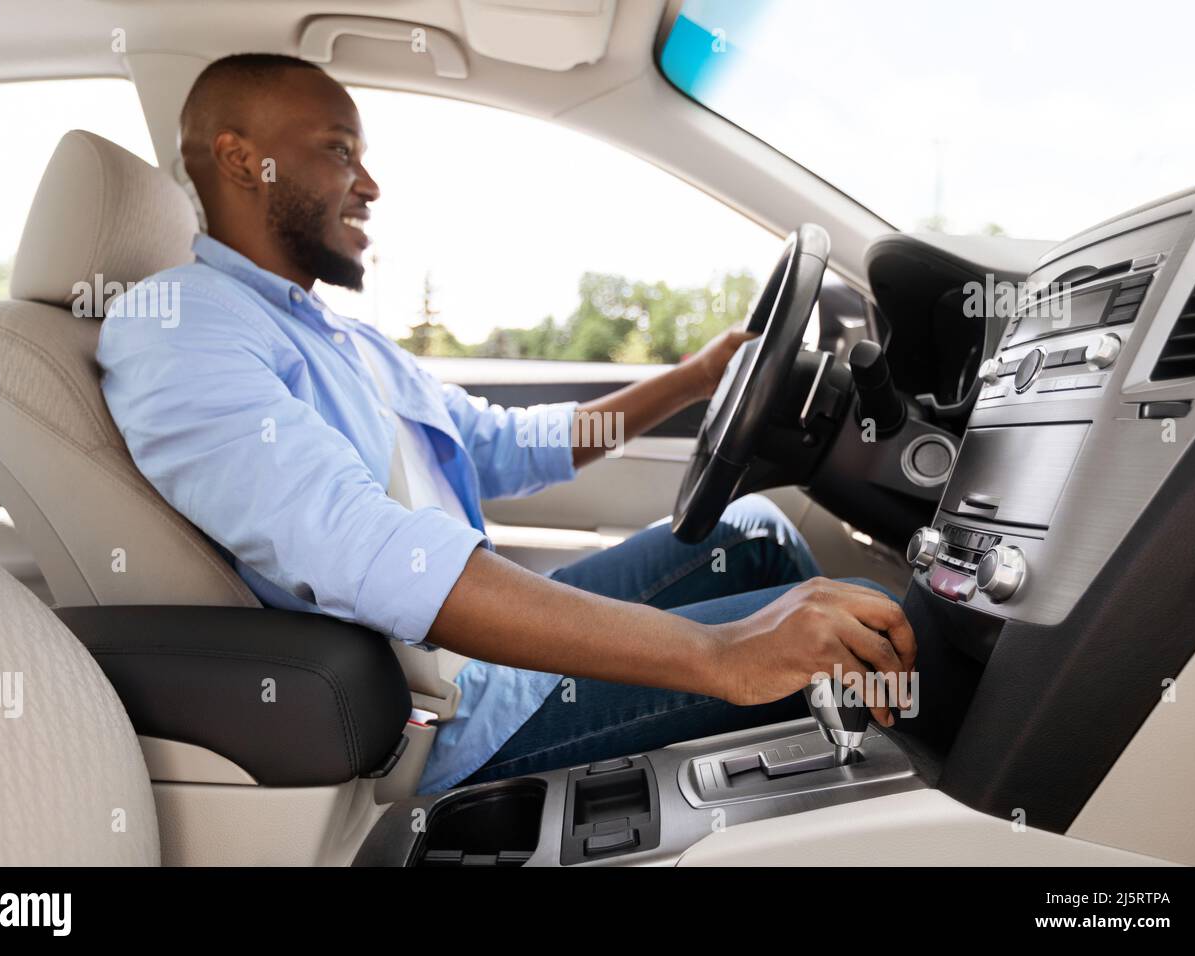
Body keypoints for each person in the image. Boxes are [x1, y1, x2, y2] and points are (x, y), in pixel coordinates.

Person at [98, 53, 915, 794]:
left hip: (478, 652)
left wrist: (696, 380)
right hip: (447, 711)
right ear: (242, 158)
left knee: (755, 531)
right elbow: (358, 546)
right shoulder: (179, 327)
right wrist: (720, 656)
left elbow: (506, 447)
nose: (370, 183)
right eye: (340, 150)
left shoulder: (336, 333)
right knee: (862, 626)